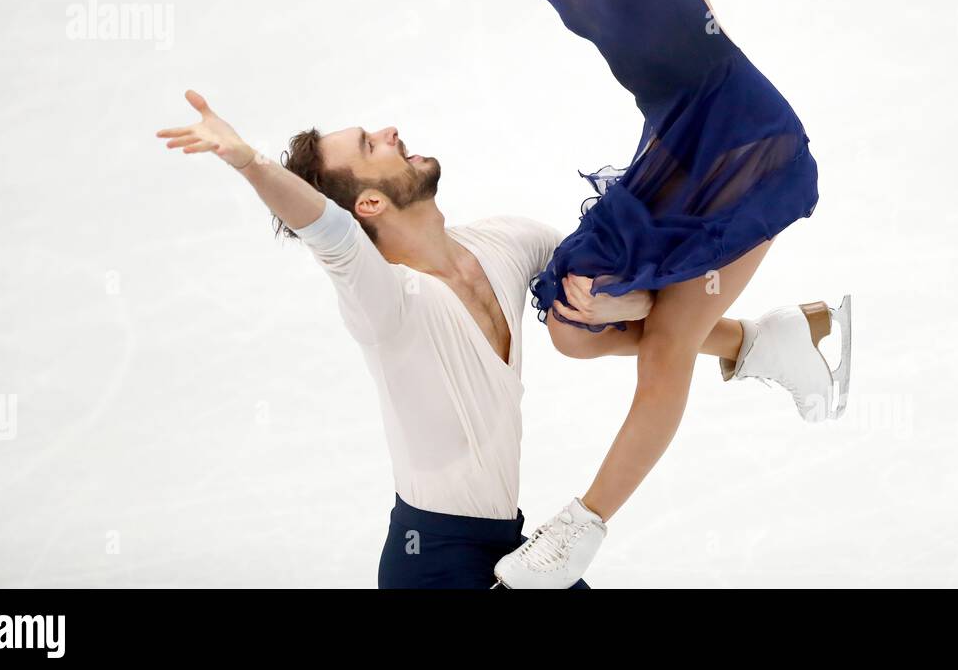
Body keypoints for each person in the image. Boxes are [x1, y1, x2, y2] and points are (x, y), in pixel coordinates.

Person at [174, 0, 958, 587]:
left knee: (667, 339)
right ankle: (778, 341)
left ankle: (582, 528)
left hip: (744, 140)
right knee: (569, 326)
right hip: (668, 151)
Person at [155, 89, 838, 588]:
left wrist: (609, 300)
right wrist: (249, 163)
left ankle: (763, 343)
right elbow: (326, 235)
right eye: (370, 146)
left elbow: (630, 304)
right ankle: (763, 342)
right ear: (368, 204)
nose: (390, 131)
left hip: (509, 545)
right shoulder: (385, 300)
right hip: (434, 565)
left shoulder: (506, 242)